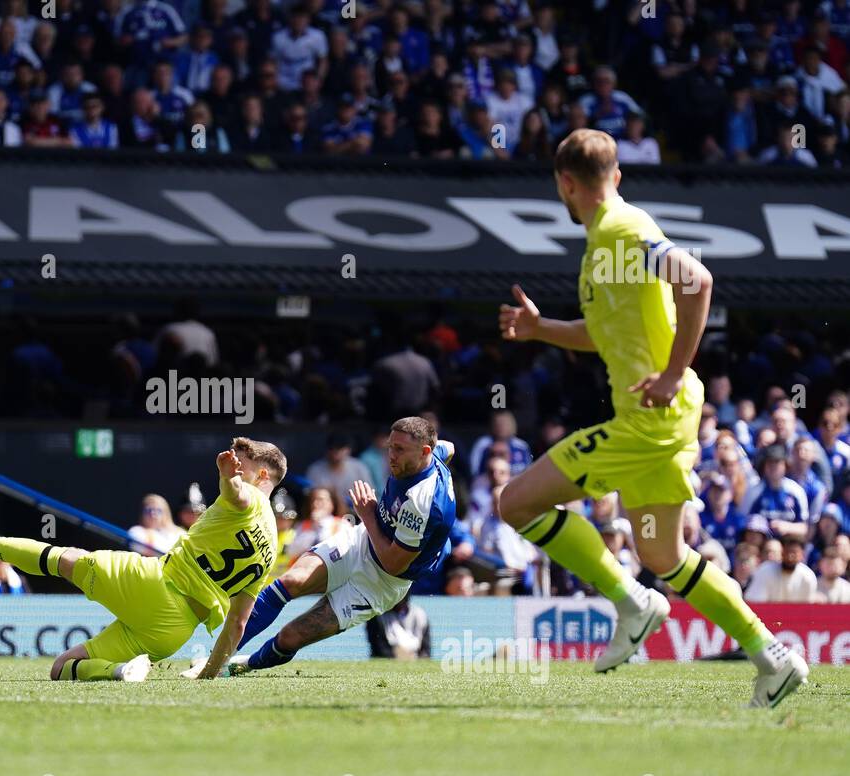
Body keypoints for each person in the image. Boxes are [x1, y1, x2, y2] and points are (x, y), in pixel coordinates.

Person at [496, 128, 807, 708]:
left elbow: (698, 280)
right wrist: (542, 331)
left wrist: (669, 374)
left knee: (514, 502)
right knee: (664, 558)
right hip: (659, 418)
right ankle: (773, 656)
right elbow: (602, 334)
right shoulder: (605, 244)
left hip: (648, 420)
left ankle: (630, 599)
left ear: (565, 184)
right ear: (615, 174)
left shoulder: (622, 229)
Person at [0, 438, 286, 682]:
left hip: (156, 585)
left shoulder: (250, 496)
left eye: (241, 466)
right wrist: (210, 673)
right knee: (62, 668)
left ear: (261, 474)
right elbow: (238, 623)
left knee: (70, 559)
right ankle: (120, 671)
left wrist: (227, 476)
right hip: (173, 632)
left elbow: (238, 494)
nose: (236, 469)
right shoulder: (270, 549)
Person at [185, 418, 455, 678]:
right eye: (390, 447)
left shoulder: (423, 503)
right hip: (361, 541)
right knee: (292, 579)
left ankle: (241, 665)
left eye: (399, 450)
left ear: (424, 452)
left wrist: (369, 514)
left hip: (383, 580)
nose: (391, 456)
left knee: (291, 636)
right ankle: (214, 661)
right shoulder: (432, 454)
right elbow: (449, 447)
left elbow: (393, 563)